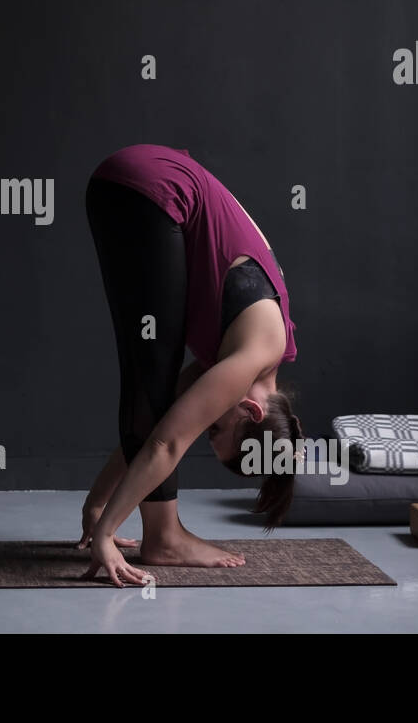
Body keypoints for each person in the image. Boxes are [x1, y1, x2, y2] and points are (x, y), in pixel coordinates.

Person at [78, 143, 304, 586]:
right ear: (251, 411)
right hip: (152, 191)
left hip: (127, 185)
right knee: (151, 378)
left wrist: (97, 501)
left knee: (153, 386)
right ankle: (164, 539)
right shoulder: (252, 355)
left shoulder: (250, 353)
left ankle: (163, 537)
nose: (206, 427)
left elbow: (160, 422)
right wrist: (106, 533)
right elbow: (167, 443)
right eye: (216, 431)